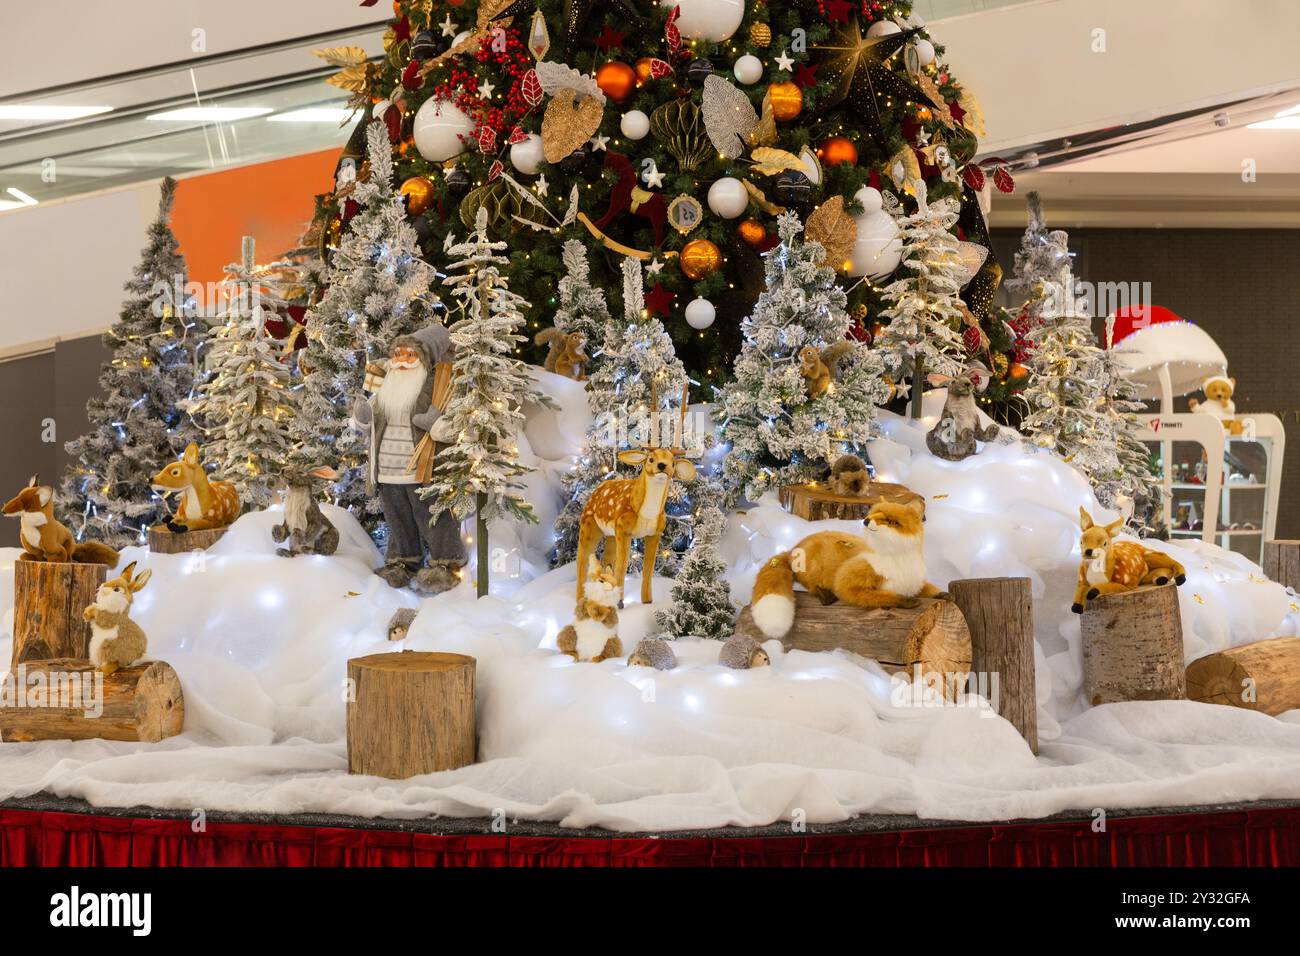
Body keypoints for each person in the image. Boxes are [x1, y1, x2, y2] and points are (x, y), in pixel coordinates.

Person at [353, 323, 465, 590]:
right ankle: (403, 561)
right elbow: (366, 422)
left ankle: (445, 563)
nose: (402, 361)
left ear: (424, 359)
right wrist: (361, 416)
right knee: (397, 518)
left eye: (409, 355)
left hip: (421, 470)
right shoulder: (384, 389)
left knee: (433, 516)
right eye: (398, 354)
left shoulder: (435, 388)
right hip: (387, 471)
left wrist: (435, 425)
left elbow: (453, 426)